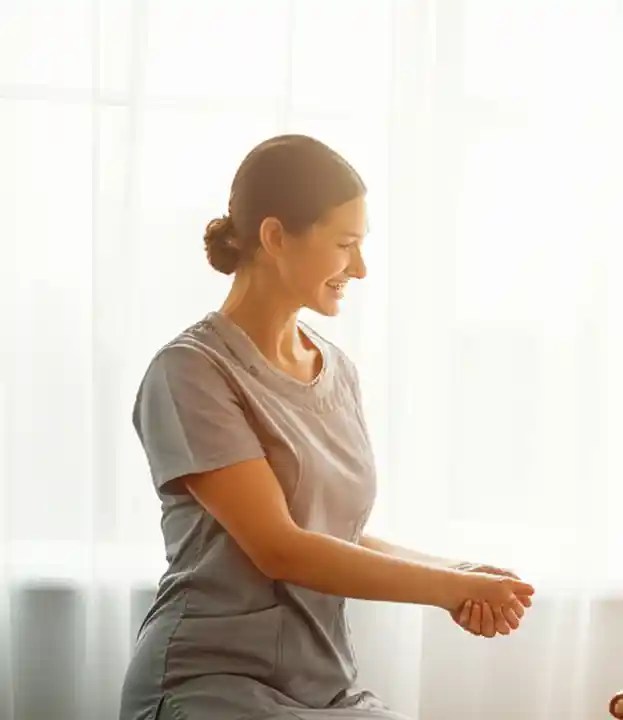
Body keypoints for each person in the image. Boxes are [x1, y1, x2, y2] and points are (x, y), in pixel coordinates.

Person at [119, 134, 533, 720]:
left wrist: (456, 572)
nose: (360, 269)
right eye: (345, 244)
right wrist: (448, 591)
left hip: (326, 686)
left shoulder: (336, 369)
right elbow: (280, 547)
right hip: (211, 682)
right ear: (274, 236)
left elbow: (332, 531)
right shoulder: (189, 371)